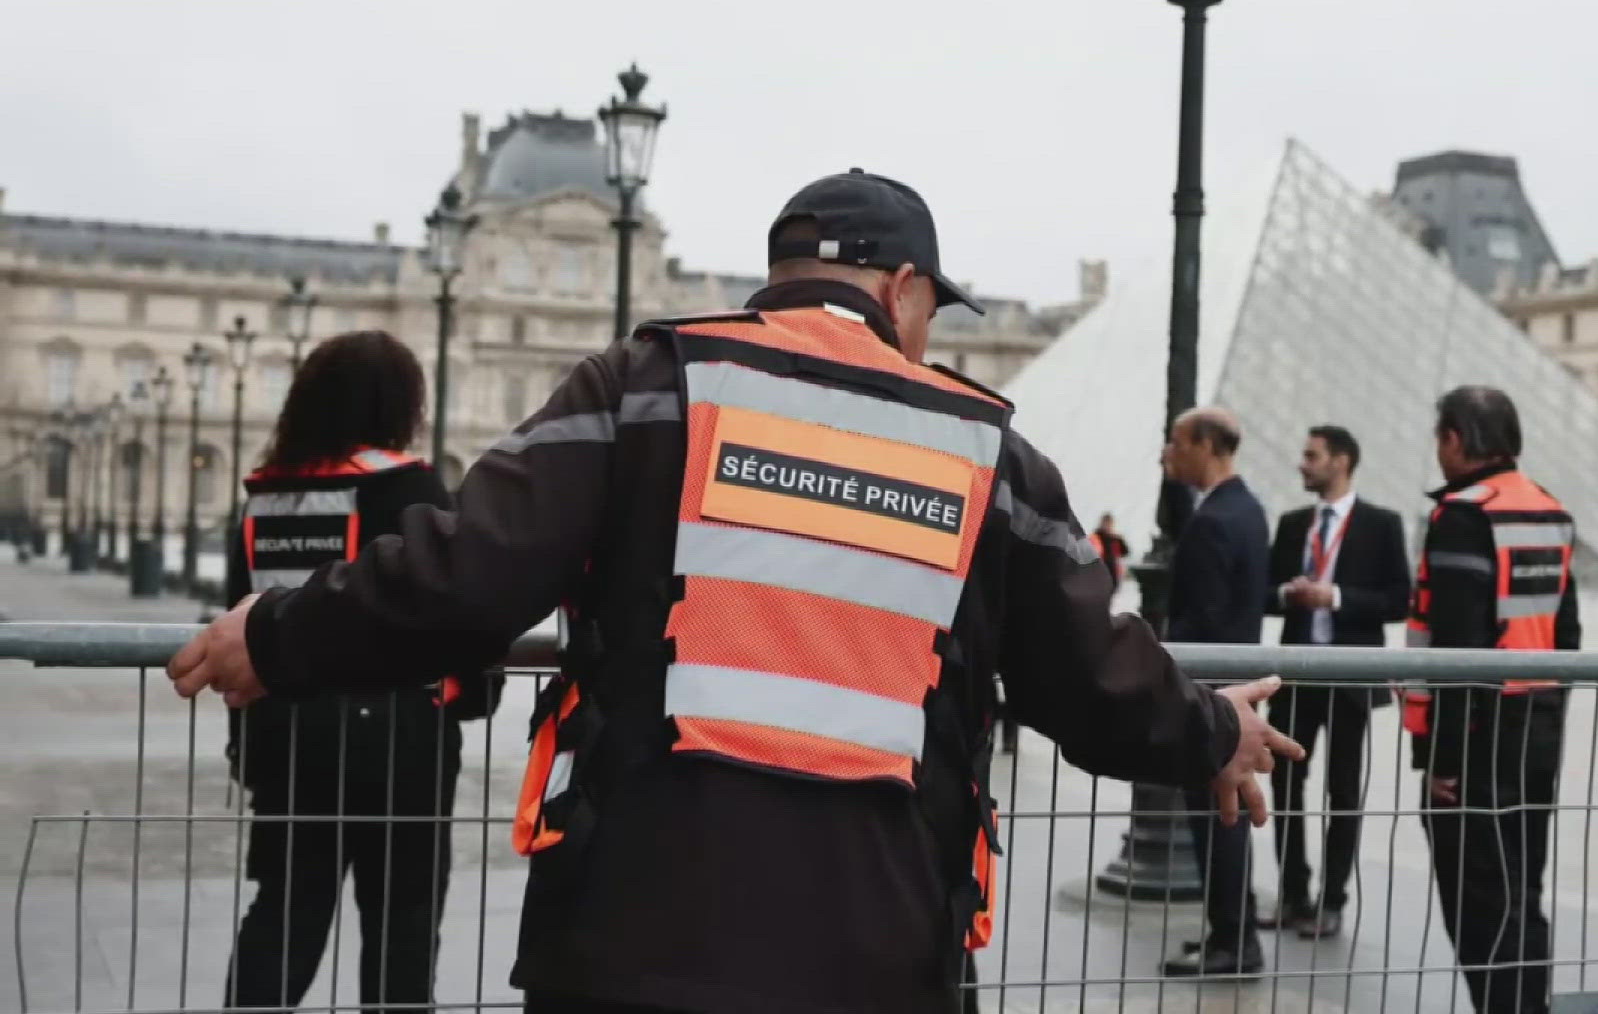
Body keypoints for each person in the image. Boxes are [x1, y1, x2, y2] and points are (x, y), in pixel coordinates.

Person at [170, 169, 1303, 1014]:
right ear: (902, 291)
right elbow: (1086, 668)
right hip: (880, 935)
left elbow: (463, 571)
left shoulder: (650, 384)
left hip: (635, 924)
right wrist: (1210, 733)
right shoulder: (983, 451)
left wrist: (274, 637)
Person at [220, 331, 499, 1013]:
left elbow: (238, 623)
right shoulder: (408, 485)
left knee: (283, 919)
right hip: (401, 742)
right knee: (402, 928)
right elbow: (453, 601)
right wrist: (471, 697)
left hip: (286, 736)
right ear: (402, 404)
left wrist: (247, 740)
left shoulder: (264, 496)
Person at [1403, 386, 1580, 1014]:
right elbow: (1568, 635)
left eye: (1439, 438)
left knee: (1479, 897)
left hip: (1476, 736)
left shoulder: (1464, 515)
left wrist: (1442, 759)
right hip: (1537, 723)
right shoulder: (1550, 510)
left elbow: (1460, 650)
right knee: (1522, 887)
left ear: (1455, 439)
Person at [1261, 425, 1409, 940]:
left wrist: (1337, 597)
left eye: (1312, 456)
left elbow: (1398, 600)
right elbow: (1264, 592)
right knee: (1286, 787)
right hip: (1297, 677)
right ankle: (1293, 893)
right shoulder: (1292, 523)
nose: (1302, 464)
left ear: (1341, 461)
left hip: (1348, 677)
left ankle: (1332, 900)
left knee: (1343, 792)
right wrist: (1289, 593)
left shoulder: (1381, 525)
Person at [1159, 407, 1272, 977]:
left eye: (1176, 443)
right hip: (1240, 689)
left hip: (1210, 697)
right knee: (1224, 819)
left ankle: (1232, 941)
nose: (1168, 453)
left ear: (1205, 445)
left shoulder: (1212, 522)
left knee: (1216, 821)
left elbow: (1196, 623)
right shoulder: (1248, 510)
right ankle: (1233, 934)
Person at [1090, 512, 1130, 593]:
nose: (1108, 526)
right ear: (1101, 523)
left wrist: (1121, 540)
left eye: (1110, 524)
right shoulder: (1095, 537)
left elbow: (1125, 552)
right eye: (1105, 523)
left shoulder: (1115, 539)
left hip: (1113, 574)